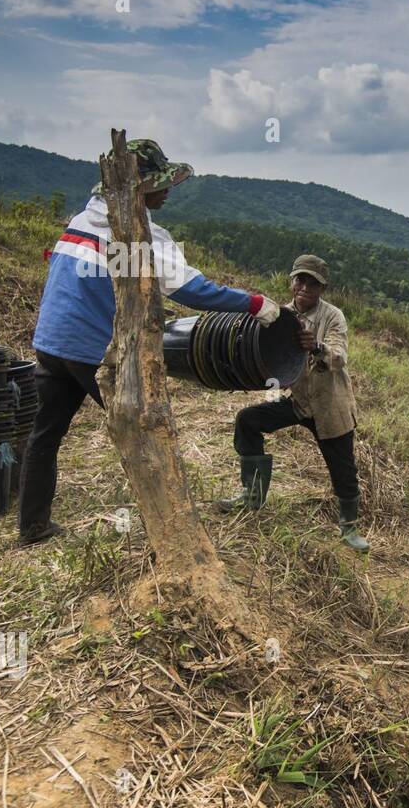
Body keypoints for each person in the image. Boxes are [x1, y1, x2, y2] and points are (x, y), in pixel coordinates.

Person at [18, 138, 279, 546]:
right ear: (140, 188)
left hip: (52, 341)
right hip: (94, 350)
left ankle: (32, 527)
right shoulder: (139, 234)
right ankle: (174, 533)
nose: (169, 189)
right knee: (147, 435)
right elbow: (194, 291)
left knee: (45, 434)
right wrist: (256, 304)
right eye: (161, 183)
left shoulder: (83, 219)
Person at [218, 255, 368, 553]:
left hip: (330, 407)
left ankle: (349, 527)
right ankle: (252, 494)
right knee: (248, 420)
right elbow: (263, 353)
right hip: (298, 401)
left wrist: (317, 346)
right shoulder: (280, 316)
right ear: (291, 281)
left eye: (313, 283)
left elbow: (339, 358)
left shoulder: (332, 317)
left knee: (343, 469)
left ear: (322, 289)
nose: (304, 287)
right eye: (300, 280)